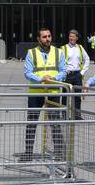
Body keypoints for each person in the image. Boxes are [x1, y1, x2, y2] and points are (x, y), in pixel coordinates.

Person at [22, 27, 66, 160]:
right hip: (36, 93)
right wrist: (41, 79)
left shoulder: (59, 52)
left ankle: (58, 153)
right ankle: (28, 153)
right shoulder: (31, 53)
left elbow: (64, 71)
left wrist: (54, 79)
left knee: (55, 123)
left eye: (49, 36)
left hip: (53, 92)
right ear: (38, 39)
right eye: (44, 37)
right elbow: (28, 72)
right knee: (31, 123)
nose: (47, 39)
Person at [62, 29, 90, 119]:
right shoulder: (64, 48)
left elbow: (87, 59)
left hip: (77, 74)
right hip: (67, 75)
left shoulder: (80, 48)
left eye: (73, 36)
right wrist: (64, 71)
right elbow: (59, 61)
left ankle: (77, 115)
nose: (71, 38)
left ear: (76, 38)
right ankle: (64, 115)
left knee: (77, 96)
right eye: (70, 36)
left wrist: (82, 72)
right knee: (65, 96)